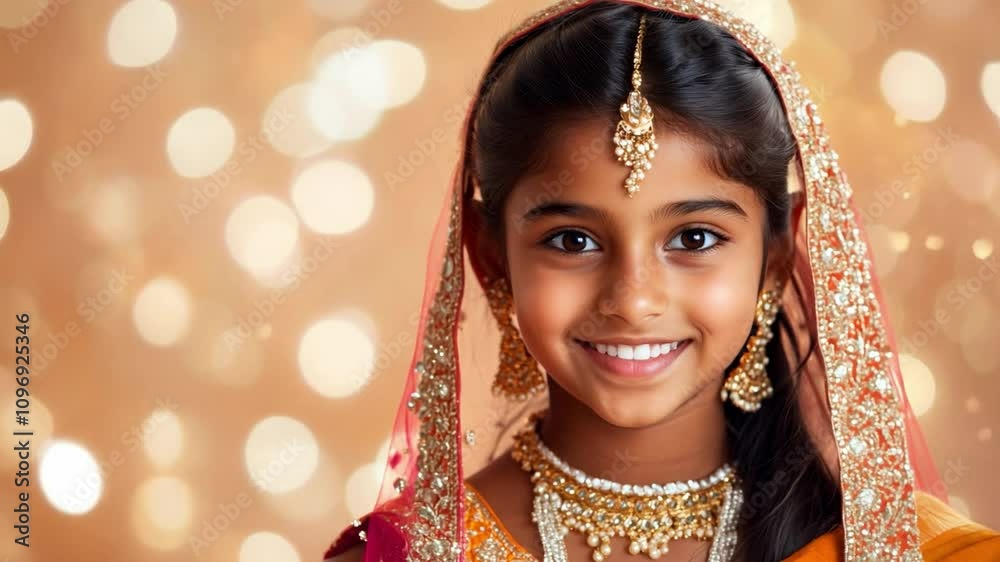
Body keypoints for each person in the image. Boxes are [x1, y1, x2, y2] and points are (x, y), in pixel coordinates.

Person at [323, 1, 1000, 560]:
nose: (634, 299)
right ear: (491, 255)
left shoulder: (908, 549)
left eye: (695, 239)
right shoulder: (408, 553)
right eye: (573, 240)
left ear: (774, 255)